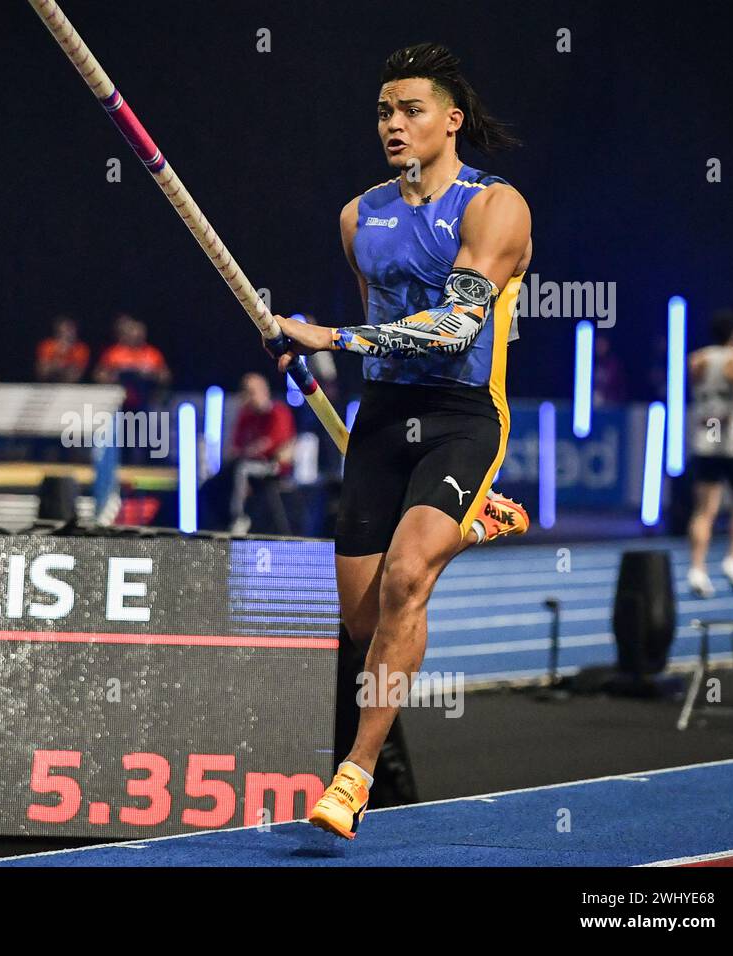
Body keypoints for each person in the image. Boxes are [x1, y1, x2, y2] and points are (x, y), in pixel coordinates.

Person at [269, 43, 531, 839]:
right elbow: (385, 330)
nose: (394, 123)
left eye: (411, 109)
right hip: (383, 420)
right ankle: (476, 521)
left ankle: (352, 778)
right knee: (361, 621)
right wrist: (312, 351)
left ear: (451, 122)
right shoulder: (359, 216)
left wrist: (330, 338)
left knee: (407, 578)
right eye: (385, 110)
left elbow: (453, 329)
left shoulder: (496, 208)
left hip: (461, 416)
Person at [687, 309, 733, 597]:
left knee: (705, 509)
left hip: (706, 434)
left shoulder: (696, 360)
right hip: (732, 437)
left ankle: (697, 569)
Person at [199, 373, 296, 533]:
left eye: (251, 392)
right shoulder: (246, 416)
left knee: (242, 469)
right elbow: (235, 447)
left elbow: (273, 444)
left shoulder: (278, 412)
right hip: (247, 463)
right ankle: (216, 524)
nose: (247, 397)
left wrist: (251, 451)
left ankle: (239, 517)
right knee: (216, 480)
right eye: (245, 392)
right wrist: (247, 451)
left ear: (263, 391)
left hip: (272, 466)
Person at [35, 315, 90, 383]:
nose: (67, 333)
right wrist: (57, 363)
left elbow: (77, 372)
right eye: (65, 329)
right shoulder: (48, 345)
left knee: (72, 372)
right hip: (49, 381)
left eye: (70, 329)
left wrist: (63, 362)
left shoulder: (81, 348)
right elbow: (43, 369)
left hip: (69, 382)